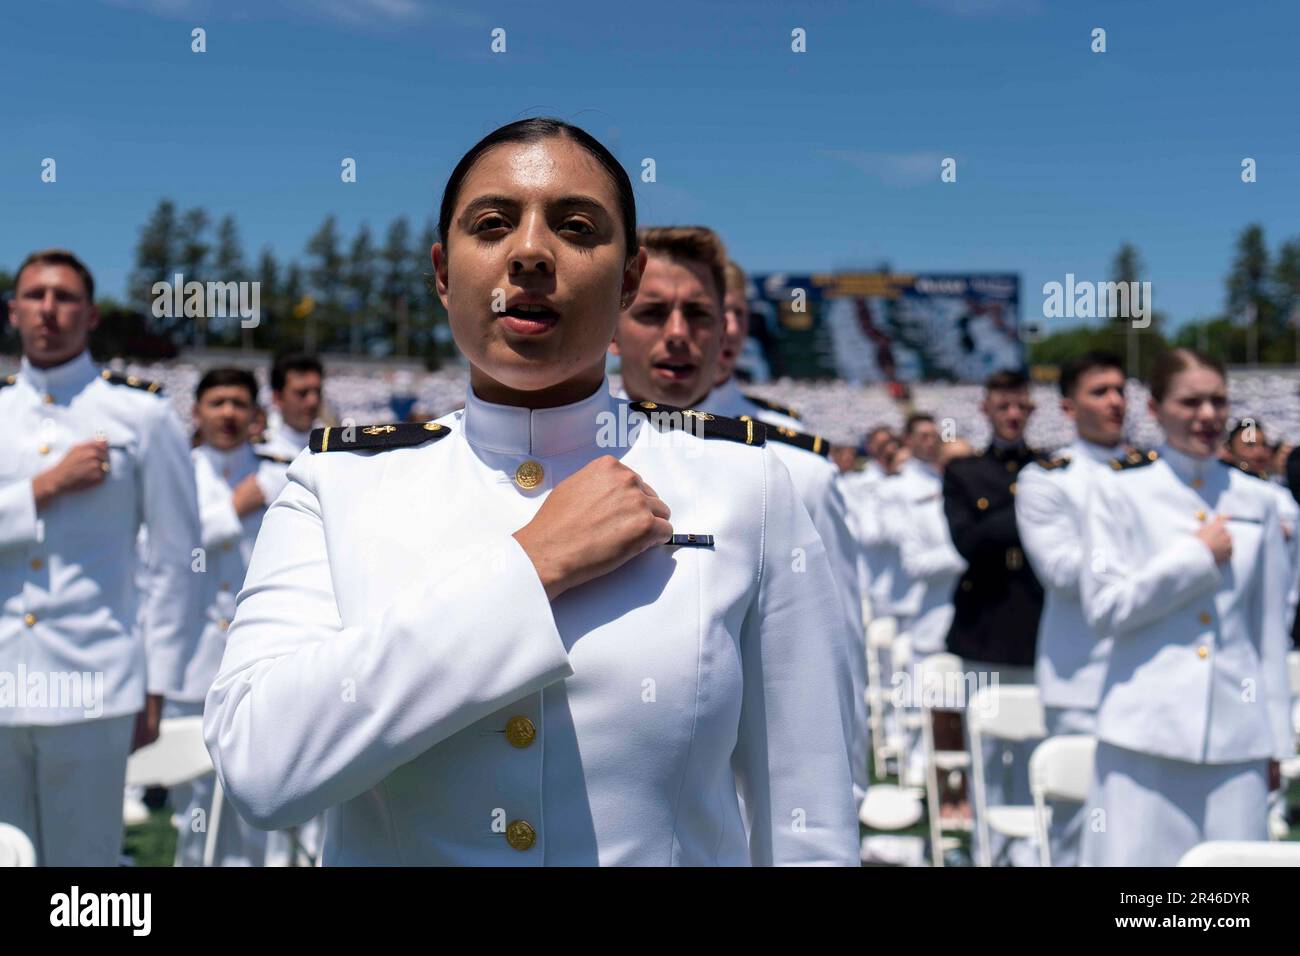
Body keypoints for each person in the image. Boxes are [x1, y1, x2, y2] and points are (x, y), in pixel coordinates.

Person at [204, 118, 858, 866]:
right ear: (443, 273)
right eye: (492, 225)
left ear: (630, 278)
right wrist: (531, 567)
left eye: (577, 228)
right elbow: (259, 768)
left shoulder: (745, 487)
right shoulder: (336, 484)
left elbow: (806, 821)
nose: (530, 253)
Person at [611, 228, 866, 807]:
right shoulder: (562, 456)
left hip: (740, 810)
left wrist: (840, 800)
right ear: (612, 326)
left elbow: (829, 668)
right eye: (652, 312)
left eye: (700, 314)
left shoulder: (797, 471)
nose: (678, 334)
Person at [0, 249, 201, 865]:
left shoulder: (141, 414)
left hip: (94, 681)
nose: (48, 309)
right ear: (13, 312)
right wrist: (42, 488)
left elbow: (175, 558)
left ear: (90, 315)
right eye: (34, 295)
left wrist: (158, 681)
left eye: (64, 297)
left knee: (83, 868)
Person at [1080, 349, 1291, 866]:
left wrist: (1277, 741)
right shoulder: (1117, 490)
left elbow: (1268, 629)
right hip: (1144, 732)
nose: (1208, 415)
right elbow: (1105, 608)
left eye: (1218, 401)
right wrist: (1195, 558)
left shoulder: (1257, 499)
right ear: (1155, 408)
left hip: (1237, 737)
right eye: (1190, 402)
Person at [169, 367, 292, 866]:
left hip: (259, 660)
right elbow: (161, 555)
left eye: (239, 403)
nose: (228, 413)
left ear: (256, 415)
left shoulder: (280, 473)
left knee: (262, 801)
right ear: (196, 412)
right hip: (190, 663)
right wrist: (232, 510)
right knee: (193, 809)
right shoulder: (176, 472)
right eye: (217, 402)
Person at [1013, 351, 1126, 865]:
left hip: (1148, 675)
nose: (1115, 401)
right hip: (1081, 677)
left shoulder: (1154, 471)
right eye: (1099, 391)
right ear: (1067, 406)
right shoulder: (1047, 477)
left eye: (1120, 390)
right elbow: (1059, 570)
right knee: (1077, 827)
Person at [942, 368, 1045, 866]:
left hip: (1038, 630)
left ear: (1032, 409)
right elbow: (969, 542)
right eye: (1003, 405)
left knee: (1035, 751)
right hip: (984, 628)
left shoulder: (1049, 467)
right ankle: (989, 852)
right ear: (985, 409)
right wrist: (1028, 509)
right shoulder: (965, 472)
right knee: (985, 753)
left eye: (1020, 405)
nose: (1012, 414)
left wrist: (1001, 515)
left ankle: (1032, 853)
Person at [263, 353, 324, 457]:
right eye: (302, 393)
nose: (313, 401)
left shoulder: (333, 449)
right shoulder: (261, 451)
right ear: (278, 398)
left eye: (318, 392)